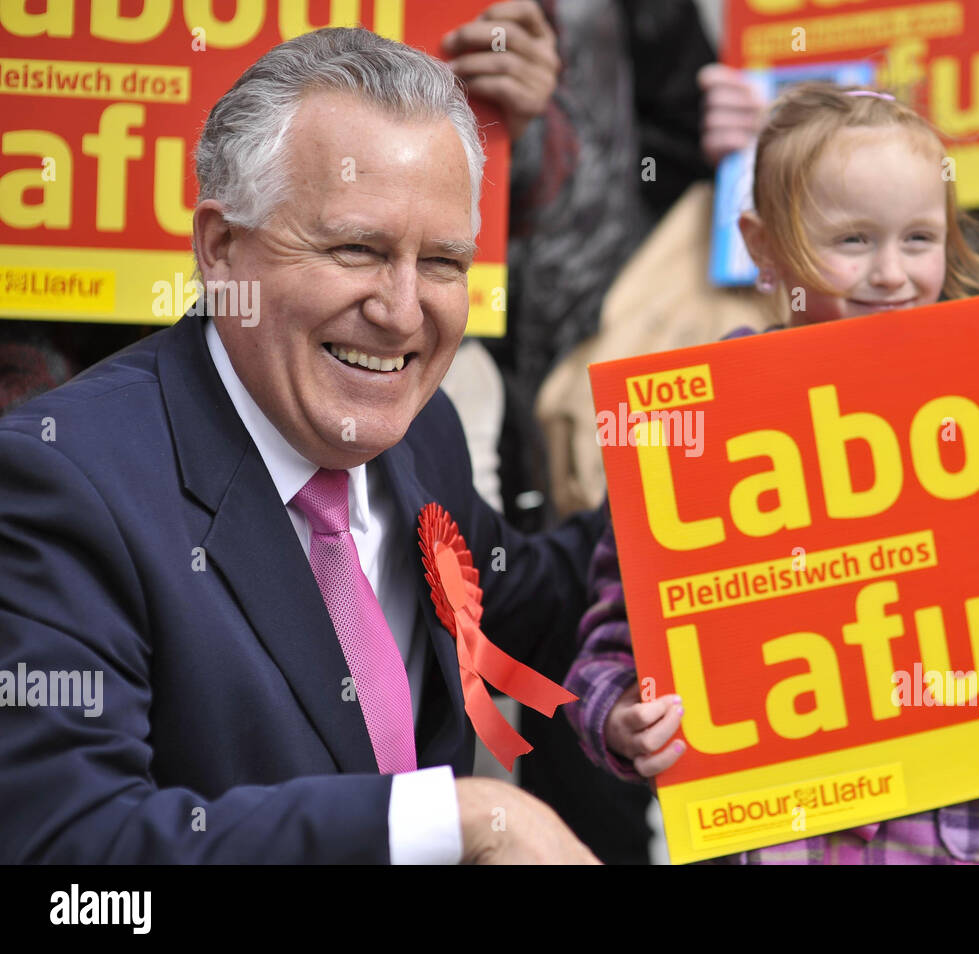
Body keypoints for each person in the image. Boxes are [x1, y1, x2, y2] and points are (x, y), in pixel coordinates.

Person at [0, 27, 601, 865]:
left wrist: (750, 446)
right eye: (356, 249)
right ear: (220, 249)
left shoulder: (422, 433)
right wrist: (448, 822)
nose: (400, 311)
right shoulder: (57, 483)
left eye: (441, 262)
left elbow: (530, 600)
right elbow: (71, 852)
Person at [565, 82, 979, 864]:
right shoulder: (698, 428)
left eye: (919, 239)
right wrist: (621, 717)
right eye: (852, 241)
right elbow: (608, 651)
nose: (890, 273)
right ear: (762, 246)